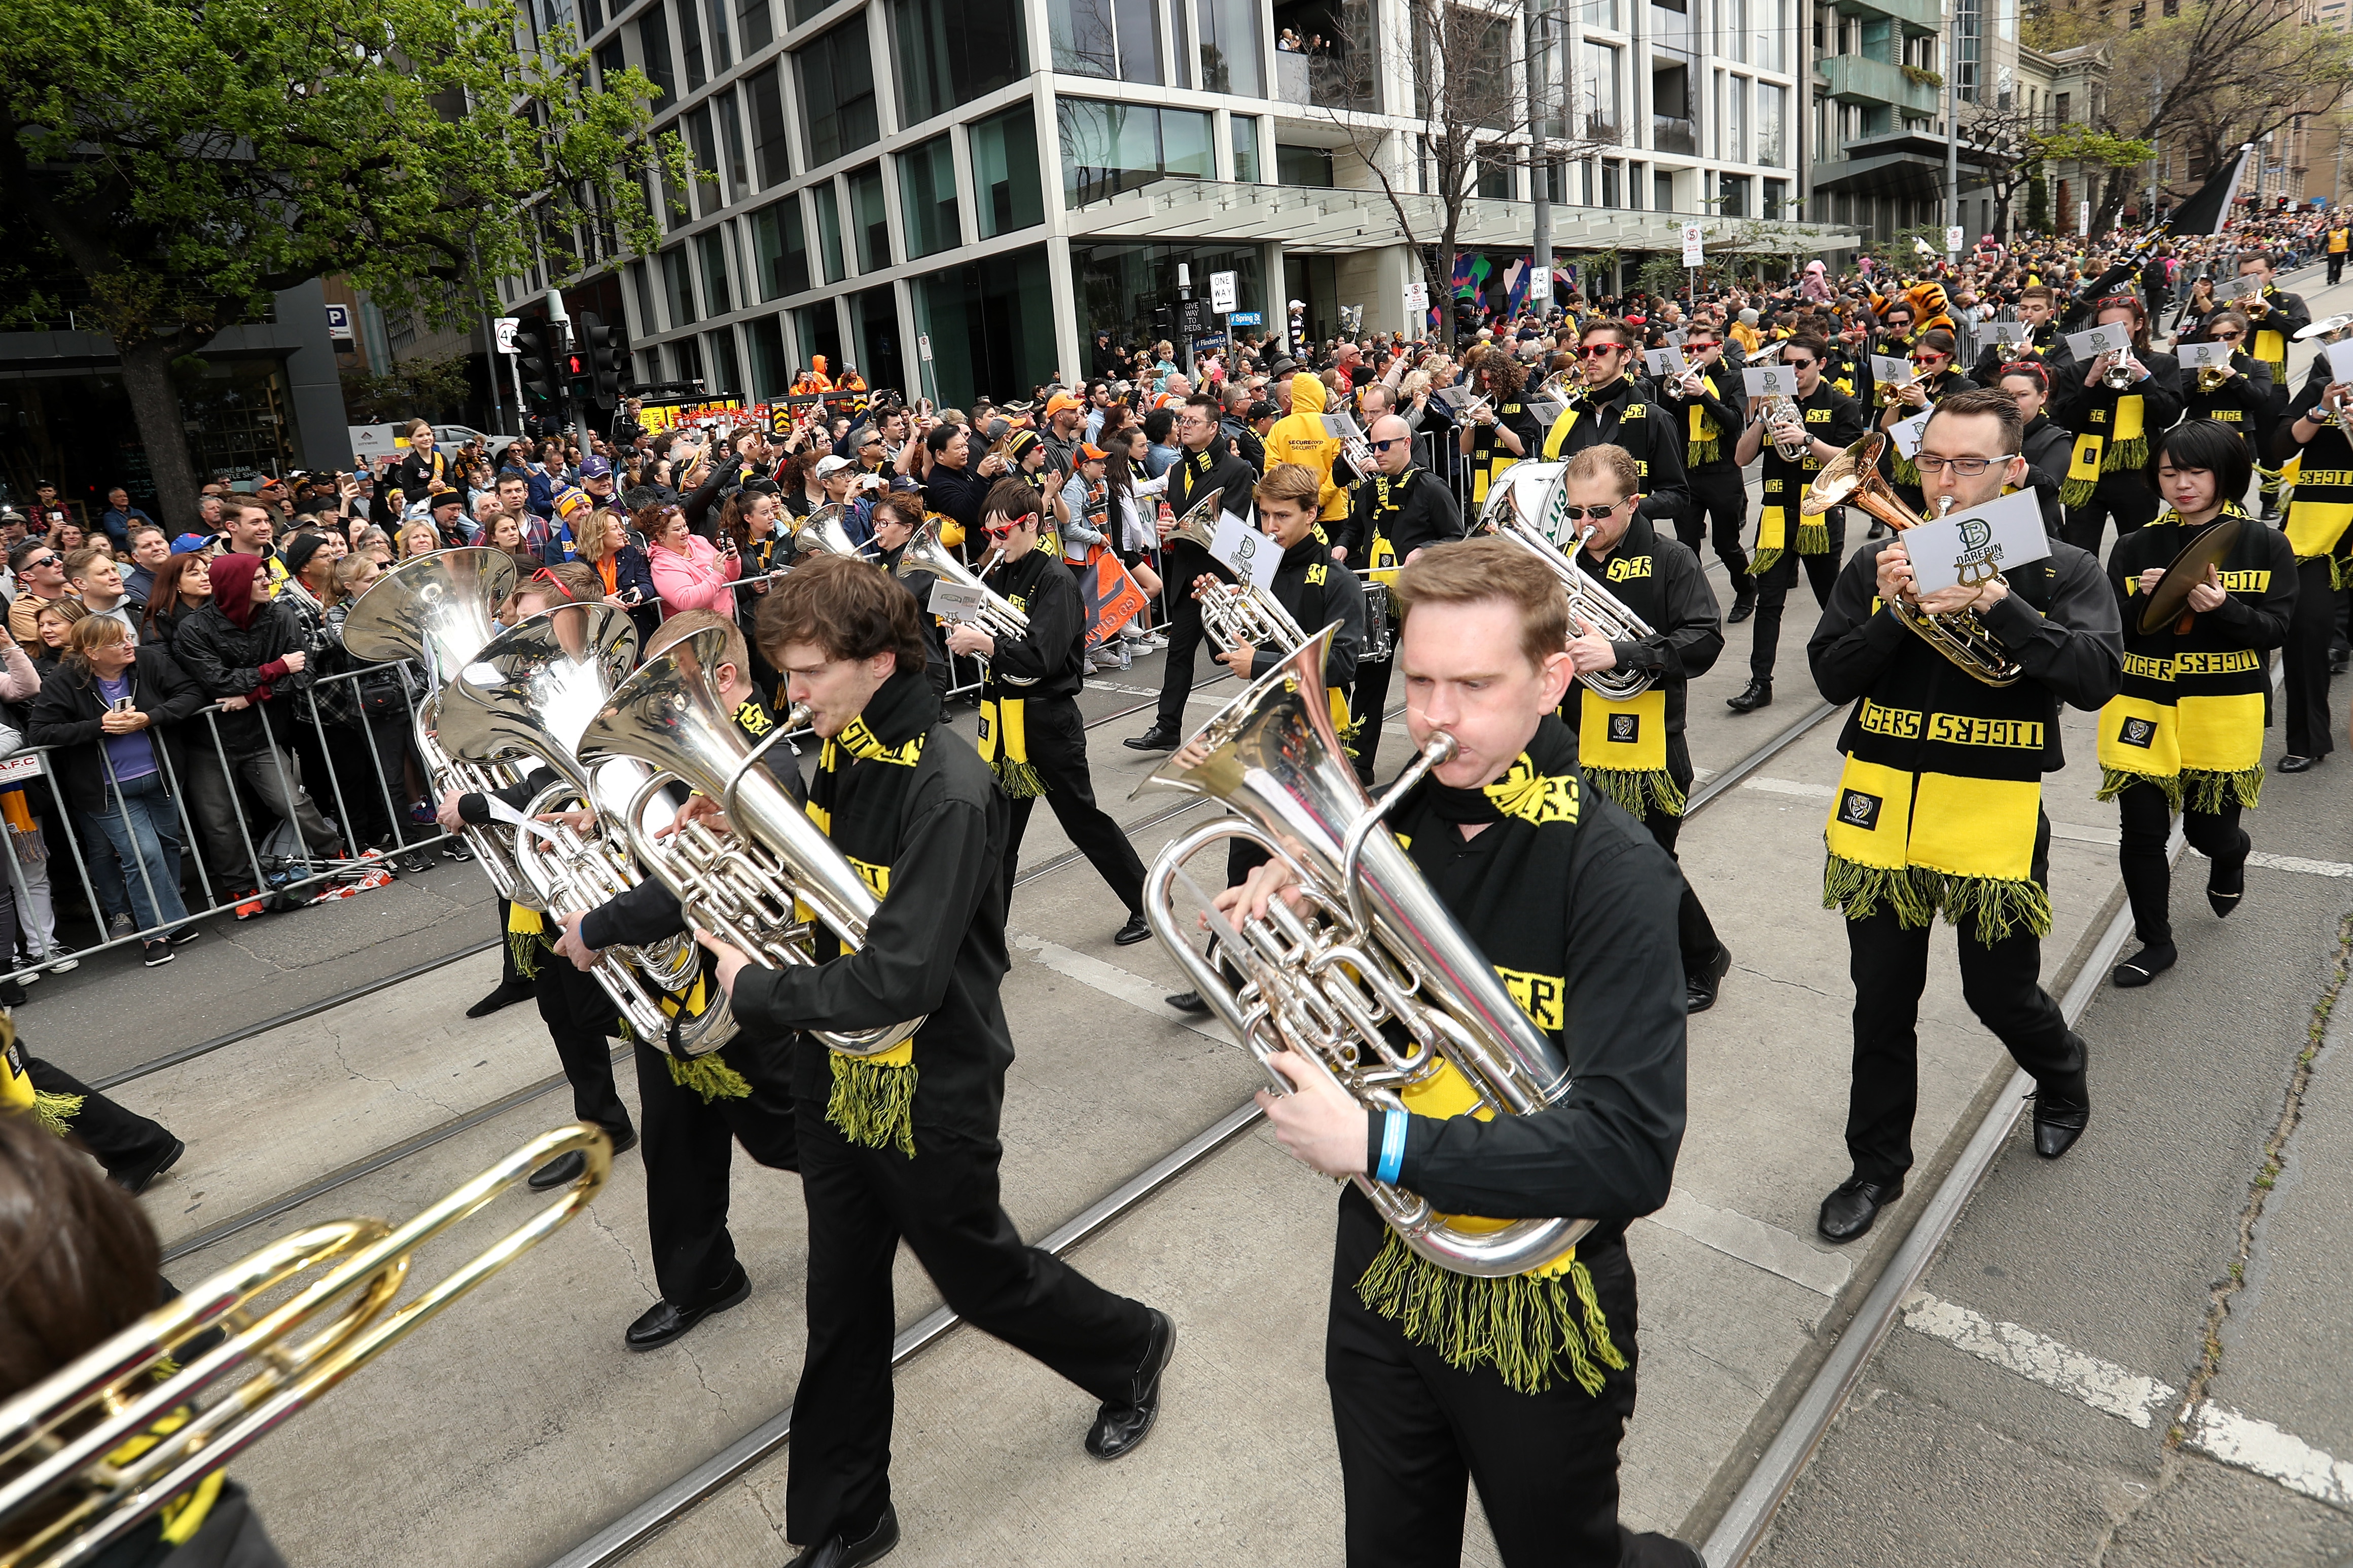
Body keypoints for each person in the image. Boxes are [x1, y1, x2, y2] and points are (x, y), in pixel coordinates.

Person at [1218, 535, 1701, 1568]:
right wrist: (1292, 933)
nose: (1436, 716)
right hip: (1386, 1260)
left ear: (1552, 680)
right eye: (1420, 682)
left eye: (1474, 686)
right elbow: (1361, 1034)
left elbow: (1629, 1154)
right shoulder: (1383, 829)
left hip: (1537, 1290)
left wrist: (1379, 1141)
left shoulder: (1614, 871)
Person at [702, 554, 1176, 1567]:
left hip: (932, 1079)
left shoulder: (948, 785)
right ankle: (849, 1514)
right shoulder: (845, 745)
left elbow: (902, 975)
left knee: (982, 1281)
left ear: (877, 660)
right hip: (839, 1073)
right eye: (786, 676)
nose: (792, 698)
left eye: (808, 675)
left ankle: (1131, 1343)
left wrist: (759, 991)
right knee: (840, 1305)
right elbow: (822, 891)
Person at [1806, 387, 2120, 1244]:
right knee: (1881, 1000)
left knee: (1999, 992)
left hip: (1992, 811)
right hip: (1881, 811)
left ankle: (2062, 1070)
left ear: (2013, 471)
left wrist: (1997, 604)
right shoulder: (1880, 561)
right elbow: (1830, 677)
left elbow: (2096, 678)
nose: (1944, 482)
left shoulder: (2062, 567)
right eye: (1932, 462)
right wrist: (1893, 614)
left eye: (1969, 464)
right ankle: (1876, 1167)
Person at [541, 608, 802, 1348]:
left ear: (723, 677)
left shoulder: (760, 760)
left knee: (791, 1134)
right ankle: (703, 1281)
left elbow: (689, 885)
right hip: (675, 991)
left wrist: (596, 927)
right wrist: (599, 823)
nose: (652, 707)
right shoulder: (689, 749)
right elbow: (658, 838)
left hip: (744, 984)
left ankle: (924, 1198)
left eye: (666, 689)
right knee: (675, 1145)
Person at [2095, 421, 2296, 988]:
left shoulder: (2264, 543)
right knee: (2141, 832)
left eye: (2195, 472)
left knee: (2209, 832)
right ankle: (2155, 942)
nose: (2181, 485)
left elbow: (2276, 629)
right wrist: (2143, 602)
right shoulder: (2134, 546)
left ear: (2223, 474)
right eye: (2169, 473)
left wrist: (2224, 608)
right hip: (2142, 701)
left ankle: (2231, 853)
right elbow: (2108, 634)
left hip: (2223, 706)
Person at [1546, 444, 1733, 1012]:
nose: (1585, 524)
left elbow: (1704, 639)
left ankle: (1703, 955)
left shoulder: (1672, 558)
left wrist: (1620, 652)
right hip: (1577, 739)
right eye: (1575, 512)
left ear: (1632, 503)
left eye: (1599, 511)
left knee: (1649, 863)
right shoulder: (1564, 564)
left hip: (1651, 747)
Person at [945, 481, 1152, 945]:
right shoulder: (1001, 574)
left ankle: (1147, 903)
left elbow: (1044, 657)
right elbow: (1000, 641)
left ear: (1032, 524)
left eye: (1003, 533)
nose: (995, 543)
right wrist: (965, 630)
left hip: (1048, 723)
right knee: (998, 835)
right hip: (1007, 720)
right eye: (989, 533)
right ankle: (987, 941)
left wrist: (987, 643)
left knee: (1084, 823)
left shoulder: (1055, 579)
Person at [28, 616, 208, 964]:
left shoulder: (149, 660)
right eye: (117, 642)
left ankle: (174, 920)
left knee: (167, 847)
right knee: (143, 854)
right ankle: (153, 934)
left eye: (127, 637)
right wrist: (99, 726)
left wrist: (152, 717)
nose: (129, 644)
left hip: (162, 776)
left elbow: (191, 693)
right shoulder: (66, 678)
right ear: (92, 652)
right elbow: (42, 731)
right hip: (107, 789)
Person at [168, 552, 342, 897]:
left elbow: (305, 674)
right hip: (208, 741)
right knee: (220, 821)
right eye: (259, 578)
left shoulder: (281, 615)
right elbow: (217, 681)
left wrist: (254, 695)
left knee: (291, 802)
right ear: (234, 585)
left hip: (261, 732)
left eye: (267, 576)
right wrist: (277, 668)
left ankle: (333, 853)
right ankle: (240, 886)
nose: (268, 582)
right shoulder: (194, 628)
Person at [1728, 335, 1868, 714]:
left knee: (1833, 601)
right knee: (1768, 603)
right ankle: (1760, 683)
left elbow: (1851, 461)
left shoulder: (1840, 404)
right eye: (1786, 364)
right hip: (1776, 516)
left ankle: (1856, 667)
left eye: (1800, 364)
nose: (1792, 371)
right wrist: (1761, 419)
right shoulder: (1773, 405)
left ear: (1821, 364)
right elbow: (1741, 458)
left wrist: (1806, 438)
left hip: (1819, 516)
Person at [1335, 413, 1463, 784]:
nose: (1376, 452)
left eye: (1384, 445)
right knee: (1369, 679)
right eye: (1373, 445)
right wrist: (1342, 547)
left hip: (1420, 600)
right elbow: (1353, 528)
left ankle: (1443, 755)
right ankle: (1360, 764)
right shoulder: (1370, 489)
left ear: (1407, 444)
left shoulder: (1432, 488)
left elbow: (1456, 539)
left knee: (1430, 678)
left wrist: (1425, 549)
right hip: (1377, 597)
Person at [1125, 395, 1255, 753]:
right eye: (1182, 420)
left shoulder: (1236, 470)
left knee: (1240, 653)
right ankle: (1167, 727)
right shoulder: (1180, 469)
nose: (1184, 426)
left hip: (1220, 579)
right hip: (1186, 577)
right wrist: (1168, 529)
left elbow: (1231, 525)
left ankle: (1277, 715)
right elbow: (1180, 517)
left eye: (1193, 421)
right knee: (1179, 655)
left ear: (1213, 428)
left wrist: (1180, 528)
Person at [2053, 295, 2182, 558]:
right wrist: (2090, 382)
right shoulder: (2077, 371)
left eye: (2121, 327)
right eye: (2105, 328)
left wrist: (2145, 379)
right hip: (2087, 474)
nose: (2113, 336)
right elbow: (2067, 421)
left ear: (2138, 325)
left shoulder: (2162, 365)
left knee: (2139, 550)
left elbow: (2170, 417)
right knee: (2079, 551)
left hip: (2137, 475)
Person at [2271, 359, 2353, 772]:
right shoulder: (2325, 384)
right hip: (2314, 531)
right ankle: (2307, 739)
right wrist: (2322, 409)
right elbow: (2280, 448)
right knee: (2304, 631)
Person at [1539, 319, 1691, 530]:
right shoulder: (1569, 419)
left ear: (1625, 356)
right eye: (1585, 351)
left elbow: (1677, 496)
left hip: (1632, 541)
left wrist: (1626, 509)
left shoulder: (1655, 418)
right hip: (1571, 541)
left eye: (1601, 350)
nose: (1591, 358)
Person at [1456, 350, 1541, 512]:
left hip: (1513, 490)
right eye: (1484, 381)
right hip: (1481, 491)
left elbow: (1521, 448)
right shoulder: (1484, 402)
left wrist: (1493, 422)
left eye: (1492, 381)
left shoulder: (1526, 402)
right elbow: (1465, 449)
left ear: (1505, 378)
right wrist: (1470, 422)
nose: (1487, 386)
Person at [647, 500, 743, 615]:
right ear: (661, 535)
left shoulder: (698, 541)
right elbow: (686, 601)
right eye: (677, 529)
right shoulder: (662, 565)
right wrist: (717, 575)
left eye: (684, 526)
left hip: (727, 618)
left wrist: (731, 560)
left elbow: (731, 576)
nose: (685, 532)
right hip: (698, 625)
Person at [97, 487, 155, 551]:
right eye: (119, 497)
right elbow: (117, 533)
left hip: (144, 547)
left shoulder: (138, 512)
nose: (124, 498)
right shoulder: (109, 516)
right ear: (111, 500)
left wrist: (125, 529)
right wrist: (141, 530)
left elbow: (152, 526)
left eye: (125, 496)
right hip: (124, 550)